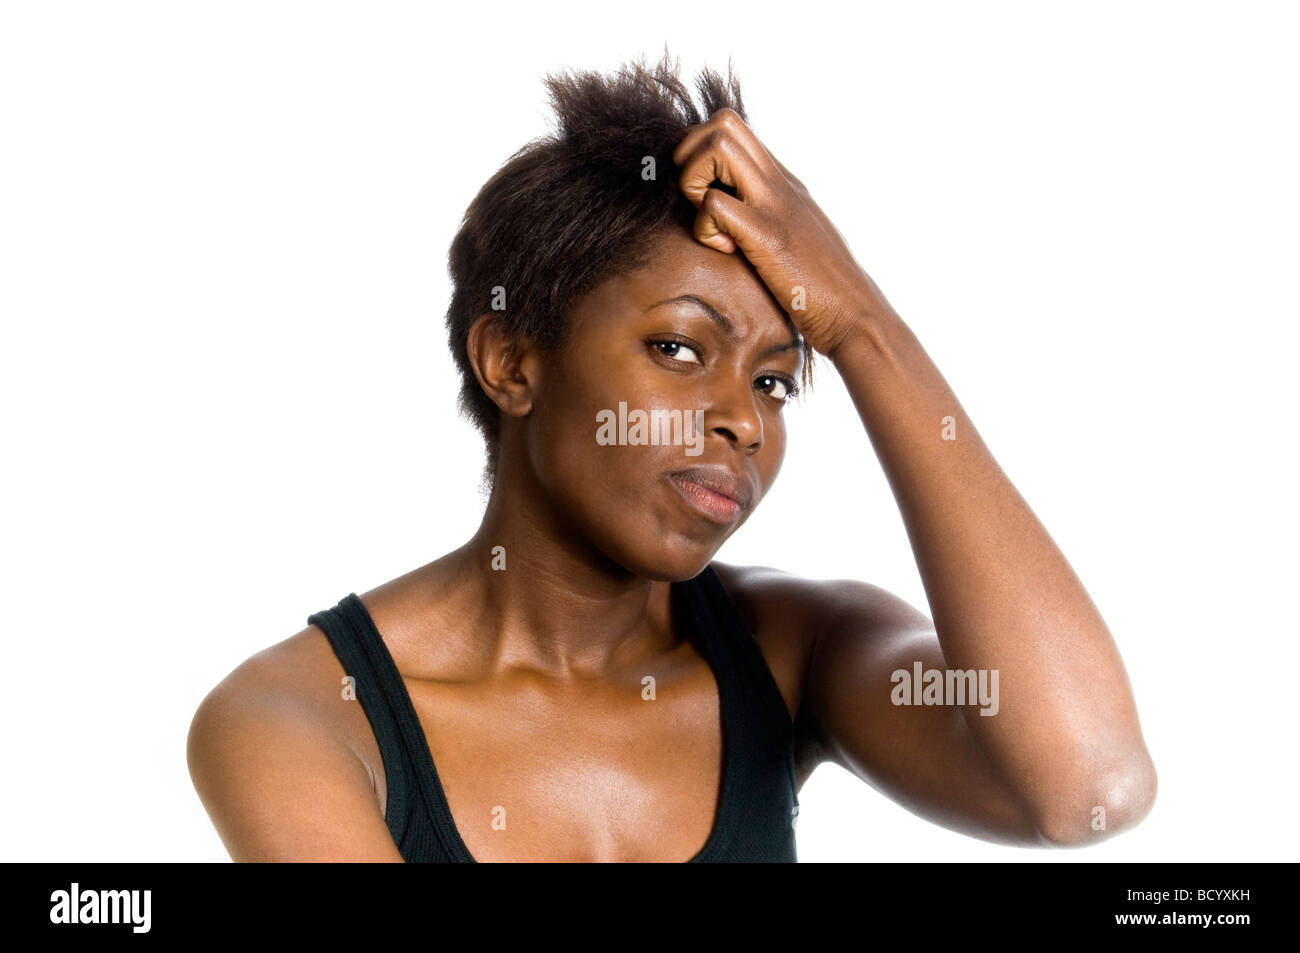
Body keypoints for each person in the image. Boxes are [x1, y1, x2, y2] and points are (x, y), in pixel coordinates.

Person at [187, 51, 1157, 862]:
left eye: (775, 380)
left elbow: (1089, 782)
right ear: (512, 360)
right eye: (679, 349)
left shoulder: (793, 649)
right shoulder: (303, 717)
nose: (742, 419)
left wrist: (860, 321)